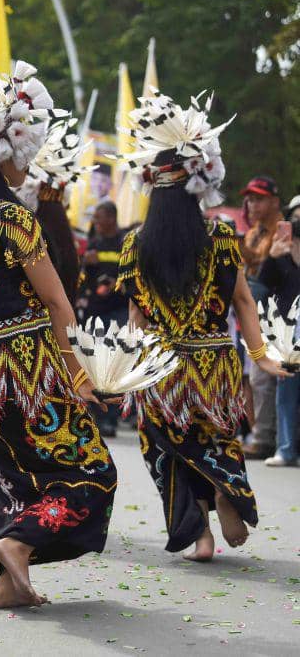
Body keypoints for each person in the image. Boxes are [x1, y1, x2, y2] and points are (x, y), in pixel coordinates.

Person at [0, 42, 116, 608]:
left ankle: (7, 581)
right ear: (5, 150)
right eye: (24, 151)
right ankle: (19, 543)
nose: (29, 162)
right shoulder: (15, 219)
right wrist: (79, 375)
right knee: (91, 472)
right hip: (32, 368)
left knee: (9, 471)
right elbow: (59, 304)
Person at [118, 92, 288, 562]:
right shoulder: (219, 236)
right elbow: (243, 302)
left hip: (160, 367)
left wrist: (120, 373)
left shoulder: (136, 244)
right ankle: (226, 489)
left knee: (166, 450)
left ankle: (201, 536)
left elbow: (136, 318)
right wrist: (261, 357)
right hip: (214, 362)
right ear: (198, 182)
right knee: (215, 436)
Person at [239, 176, 283, 460]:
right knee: (250, 379)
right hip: (251, 313)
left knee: (265, 377)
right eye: (249, 199)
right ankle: (258, 434)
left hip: (276, 314)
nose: (251, 204)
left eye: (258, 198)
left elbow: (263, 266)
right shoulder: (254, 232)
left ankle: (267, 438)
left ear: (274, 201)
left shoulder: (283, 231)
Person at [79, 201, 128, 437]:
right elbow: (85, 281)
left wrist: (114, 284)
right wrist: (88, 267)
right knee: (92, 365)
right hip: (95, 312)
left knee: (111, 365)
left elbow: (130, 275)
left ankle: (110, 418)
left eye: (99, 218)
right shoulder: (94, 243)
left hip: (118, 311)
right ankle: (94, 414)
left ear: (111, 218)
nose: (96, 223)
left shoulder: (124, 243)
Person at [257, 210, 300, 466]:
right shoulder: (280, 256)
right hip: (288, 336)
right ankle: (284, 448)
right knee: (286, 394)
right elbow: (262, 286)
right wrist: (271, 258)